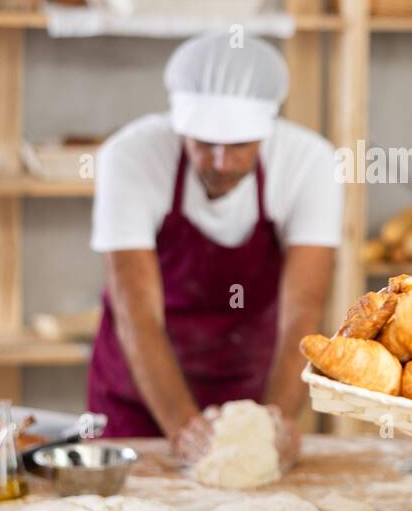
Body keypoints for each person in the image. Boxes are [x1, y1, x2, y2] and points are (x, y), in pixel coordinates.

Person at [87, 31, 341, 442]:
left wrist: (271, 424)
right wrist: (184, 428)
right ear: (180, 126)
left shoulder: (309, 162)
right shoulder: (130, 156)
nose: (222, 163)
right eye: (205, 144)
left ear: (266, 129)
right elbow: (137, 314)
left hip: (250, 390)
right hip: (138, 397)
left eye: (239, 145)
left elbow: (303, 311)